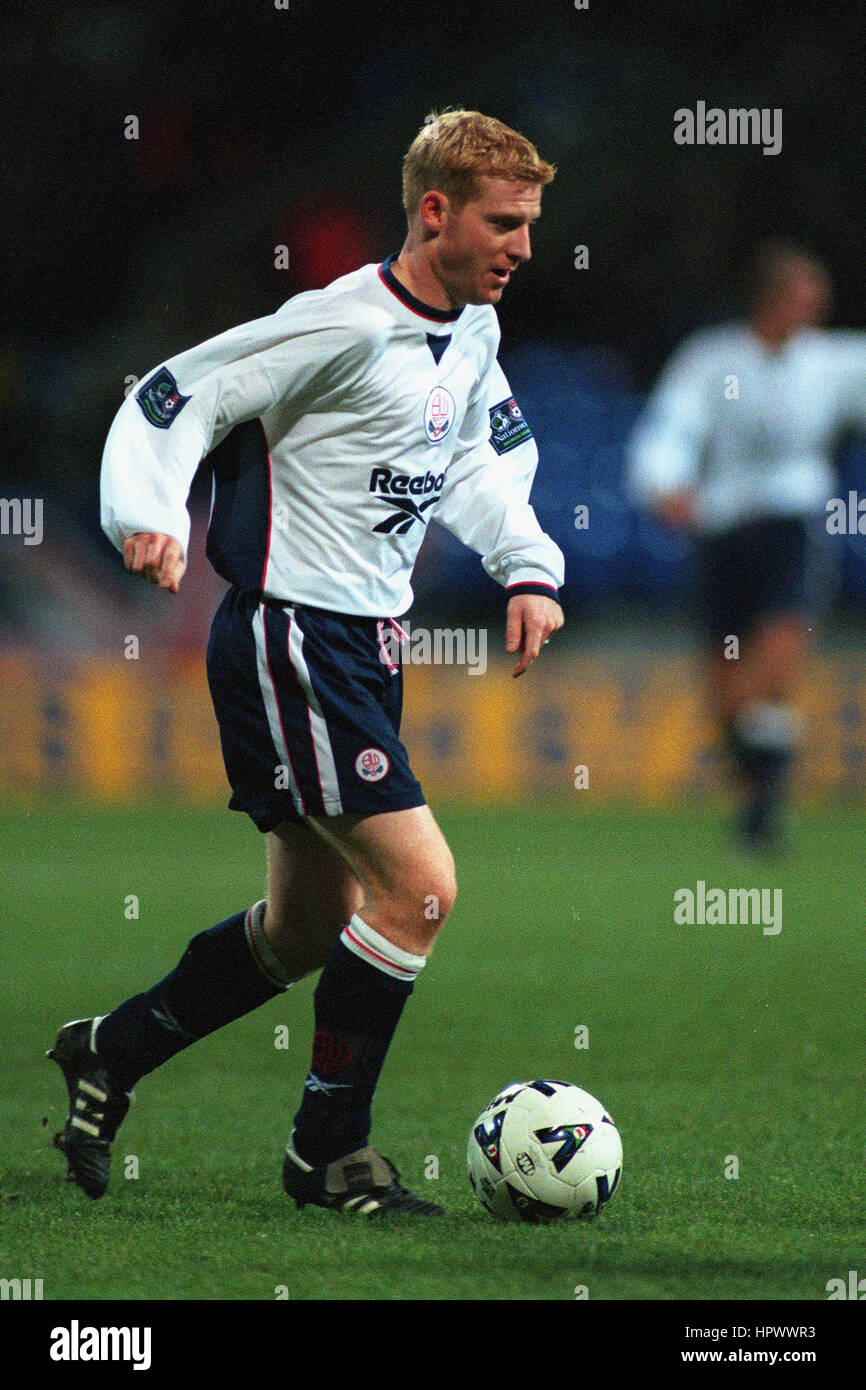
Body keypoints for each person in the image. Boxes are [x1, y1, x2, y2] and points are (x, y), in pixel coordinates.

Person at [48, 110, 565, 1215]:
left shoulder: (469, 333)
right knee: (419, 890)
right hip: (291, 636)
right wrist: (147, 512)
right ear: (434, 212)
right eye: (502, 222)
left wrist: (526, 564)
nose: (523, 245)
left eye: (528, 223)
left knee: (303, 926)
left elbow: (474, 456)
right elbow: (175, 396)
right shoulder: (335, 326)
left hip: (362, 646)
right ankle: (326, 1152)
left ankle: (111, 1048)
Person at [627, 240, 866, 849]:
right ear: (770, 298)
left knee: (777, 664)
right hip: (722, 525)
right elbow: (670, 426)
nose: (815, 305)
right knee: (729, 691)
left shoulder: (833, 362)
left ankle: (764, 815)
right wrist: (665, 482)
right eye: (802, 293)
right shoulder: (713, 360)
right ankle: (757, 793)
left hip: (794, 522)